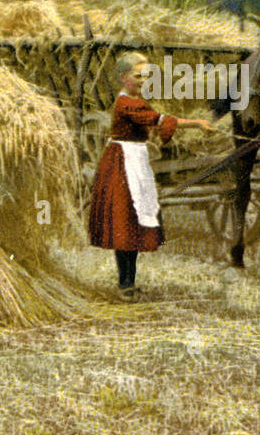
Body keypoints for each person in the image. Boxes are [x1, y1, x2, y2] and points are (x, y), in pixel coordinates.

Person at [89, 53, 211, 299]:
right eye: (138, 76)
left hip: (137, 159)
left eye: (146, 75)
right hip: (122, 163)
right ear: (123, 78)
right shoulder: (125, 103)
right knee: (125, 223)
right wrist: (195, 123)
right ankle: (125, 284)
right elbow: (156, 119)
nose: (143, 80)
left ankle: (129, 281)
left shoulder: (136, 99)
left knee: (134, 223)